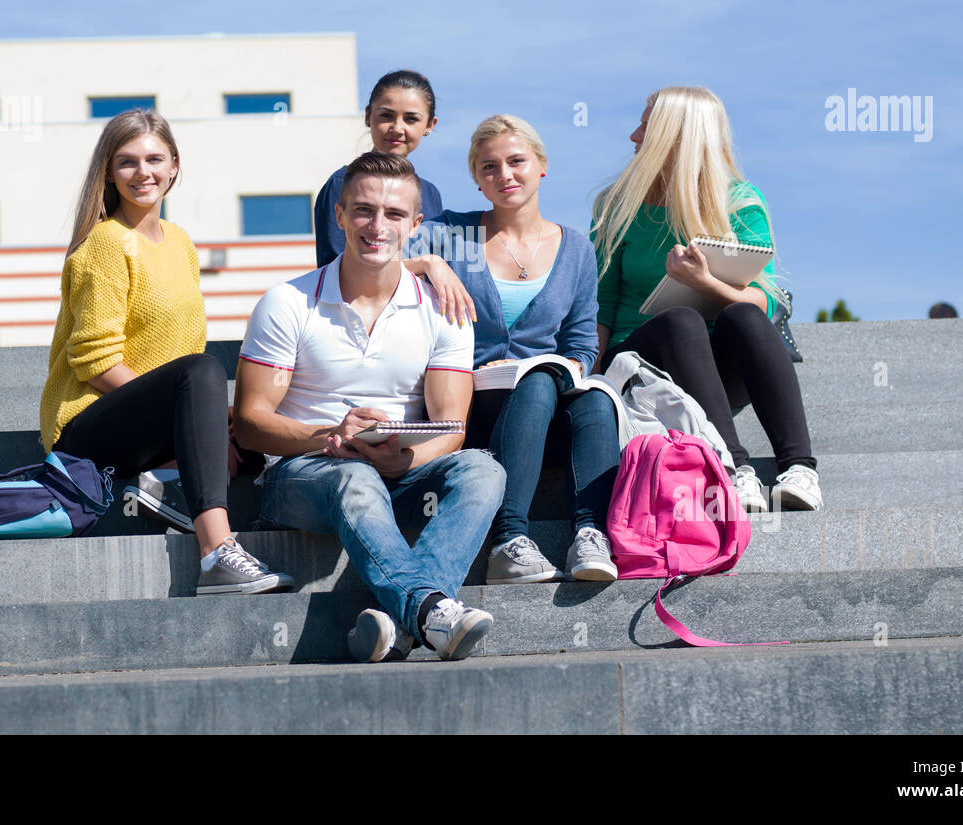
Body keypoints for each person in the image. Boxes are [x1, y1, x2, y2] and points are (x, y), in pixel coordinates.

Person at [234, 151, 505, 662]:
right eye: (362, 210)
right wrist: (329, 437)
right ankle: (430, 609)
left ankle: (406, 618)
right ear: (339, 215)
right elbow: (249, 424)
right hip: (303, 475)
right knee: (353, 478)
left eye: (394, 214)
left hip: (397, 471)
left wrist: (405, 459)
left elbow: (452, 429)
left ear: (416, 225)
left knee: (483, 470)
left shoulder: (443, 311)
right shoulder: (288, 302)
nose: (377, 225)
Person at [38, 109, 292, 594]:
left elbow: (182, 350)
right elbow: (94, 362)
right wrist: (187, 411)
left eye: (155, 159)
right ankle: (217, 553)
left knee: (253, 433)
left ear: (174, 165)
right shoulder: (107, 243)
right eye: (127, 162)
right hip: (89, 428)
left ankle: (166, 478)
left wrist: (213, 418)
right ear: (109, 173)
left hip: (152, 421)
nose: (143, 172)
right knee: (202, 373)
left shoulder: (180, 244)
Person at [406, 115, 620, 583]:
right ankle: (508, 539)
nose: (504, 175)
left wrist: (568, 369)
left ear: (541, 166)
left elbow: (583, 343)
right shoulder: (454, 237)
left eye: (516, 161)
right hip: (475, 401)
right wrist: (427, 264)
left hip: (543, 400)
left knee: (597, 398)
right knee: (537, 380)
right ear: (478, 181)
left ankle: (590, 533)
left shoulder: (577, 249)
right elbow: (370, 262)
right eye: (489, 167)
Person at [591, 86, 822, 513]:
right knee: (681, 319)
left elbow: (763, 302)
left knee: (744, 317)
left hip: (717, 368)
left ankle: (800, 468)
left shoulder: (739, 201)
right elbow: (600, 305)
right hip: (644, 364)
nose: (633, 136)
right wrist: (591, 383)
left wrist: (702, 281)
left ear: (673, 136)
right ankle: (735, 468)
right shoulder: (618, 205)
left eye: (645, 124)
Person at [313, 70, 444, 267]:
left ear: (429, 125)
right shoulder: (342, 184)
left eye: (411, 119)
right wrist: (426, 264)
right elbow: (342, 271)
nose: (397, 128)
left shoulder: (430, 194)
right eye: (386, 115)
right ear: (368, 116)